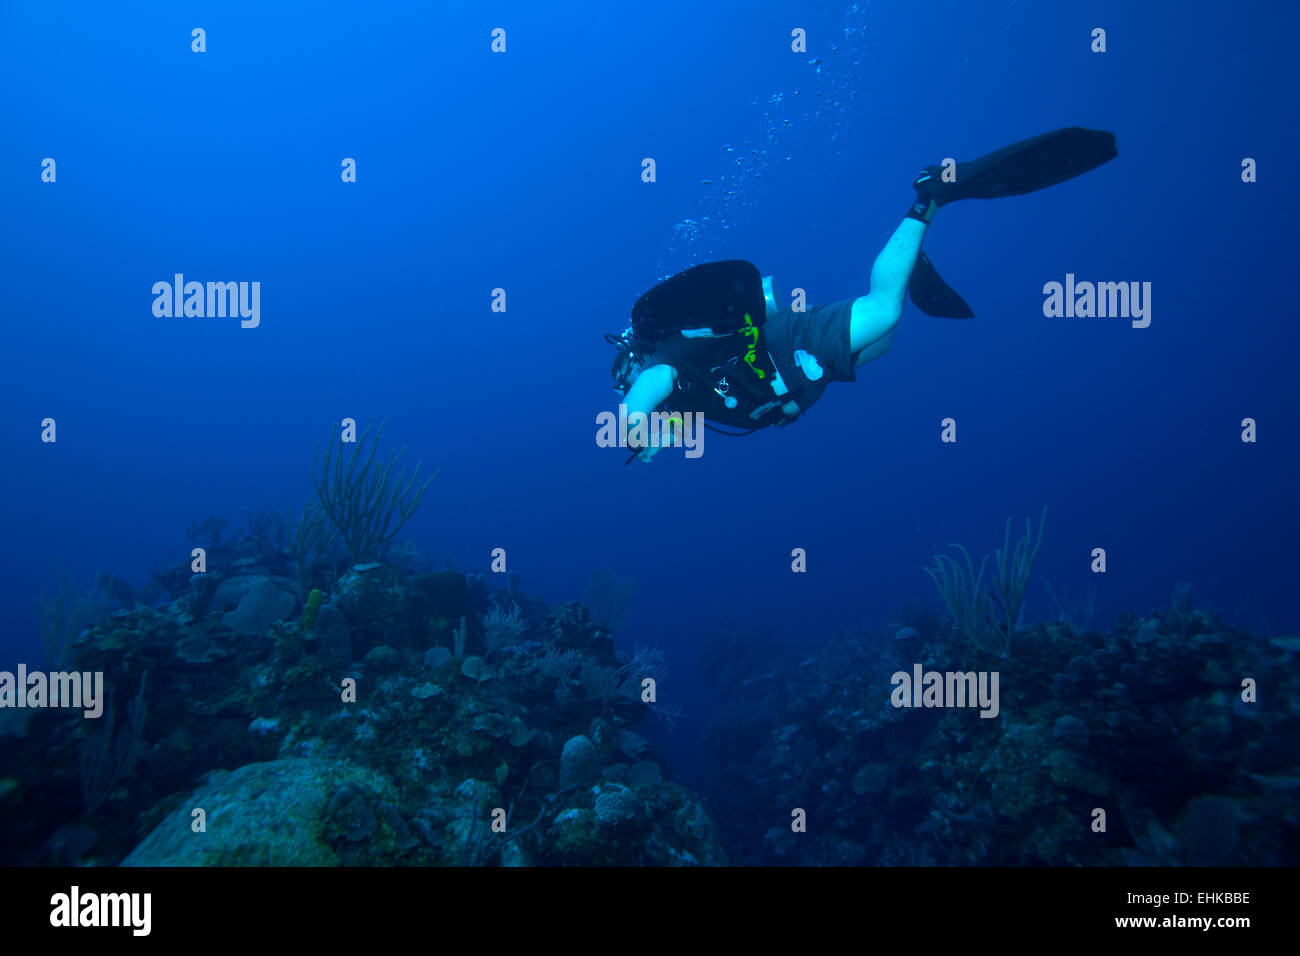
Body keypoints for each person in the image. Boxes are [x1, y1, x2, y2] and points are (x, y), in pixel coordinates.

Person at [607, 127, 1118, 461]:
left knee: (884, 309)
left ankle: (929, 197)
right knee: (885, 340)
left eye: (625, 376)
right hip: (799, 377)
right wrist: (661, 437)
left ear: (635, 359)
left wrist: (639, 432)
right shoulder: (683, 397)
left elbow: (629, 417)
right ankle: (909, 259)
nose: (629, 386)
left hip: (793, 350)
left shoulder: (660, 367)